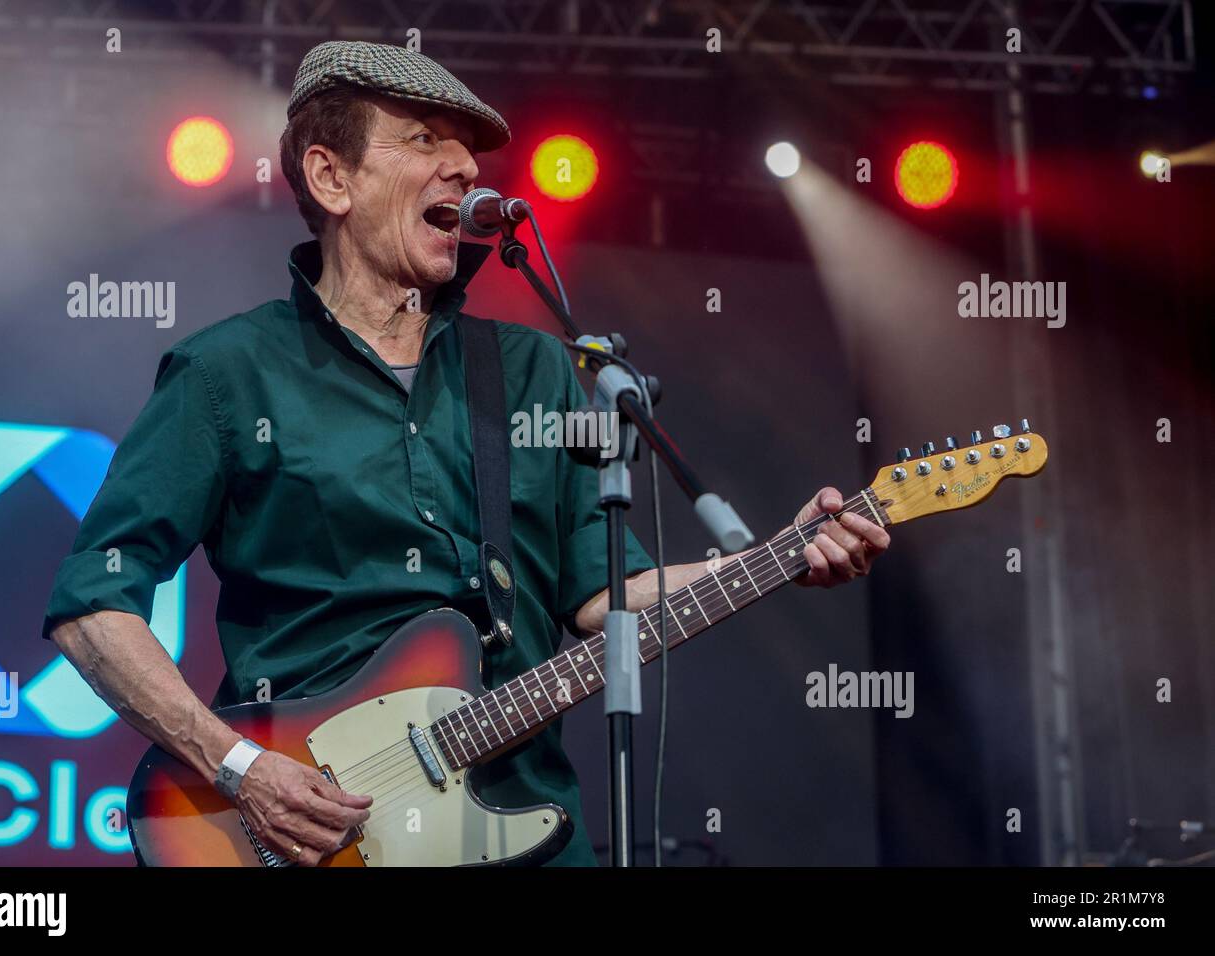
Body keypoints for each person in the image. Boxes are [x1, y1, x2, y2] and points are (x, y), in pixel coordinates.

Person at [43, 41, 890, 866]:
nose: (463, 170)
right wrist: (238, 765)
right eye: (423, 140)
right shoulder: (227, 374)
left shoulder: (529, 369)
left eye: (469, 153)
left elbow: (610, 595)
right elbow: (94, 605)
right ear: (331, 176)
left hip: (525, 824)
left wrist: (789, 554)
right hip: (315, 839)